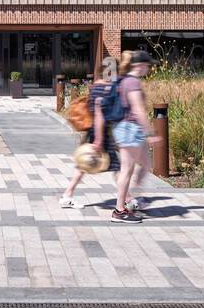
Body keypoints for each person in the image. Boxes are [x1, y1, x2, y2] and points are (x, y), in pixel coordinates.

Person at [59, 60, 122, 209]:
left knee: (84, 165)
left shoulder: (95, 86)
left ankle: (67, 195)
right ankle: (127, 199)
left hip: (94, 130)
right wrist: (99, 139)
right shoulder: (107, 88)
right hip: (100, 133)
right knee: (116, 167)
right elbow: (99, 114)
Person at [109, 50, 158, 222]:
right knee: (127, 170)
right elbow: (138, 109)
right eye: (147, 65)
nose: (149, 69)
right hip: (129, 128)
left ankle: (132, 198)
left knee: (145, 164)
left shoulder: (126, 80)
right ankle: (119, 209)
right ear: (140, 65)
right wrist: (150, 132)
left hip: (129, 129)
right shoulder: (132, 82)